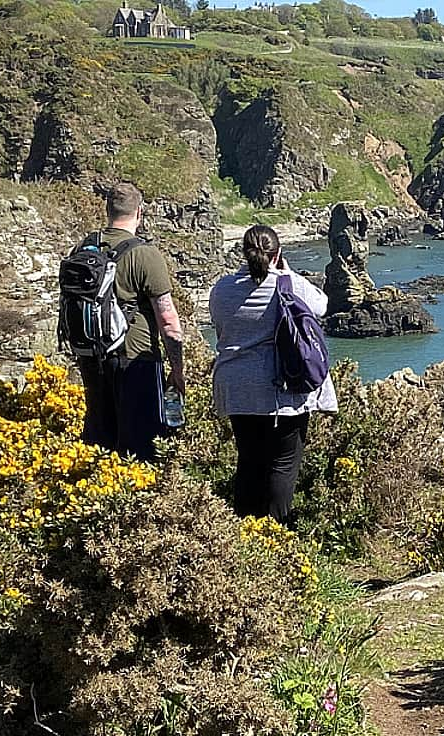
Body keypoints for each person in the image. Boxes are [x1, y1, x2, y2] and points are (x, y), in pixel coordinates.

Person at [209, 225, 337, 524]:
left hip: (238, 388)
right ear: (277, 253)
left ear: (243, 252)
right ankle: (277, 535)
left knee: (249, 461)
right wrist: (287, 271)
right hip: (283, 389)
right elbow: (322, 305)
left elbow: (219, 322)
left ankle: (243, 536)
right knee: (282, 465)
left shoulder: (222, 289)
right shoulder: (289, 283)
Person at [77, 182, 185, 463]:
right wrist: (178, 369)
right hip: (137, 360)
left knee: (100, 442)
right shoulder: (144, 254)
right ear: (139, 212)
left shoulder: (84, 247)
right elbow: (168, 319)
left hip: (91, 359)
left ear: (107, 210)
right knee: (142, 447)